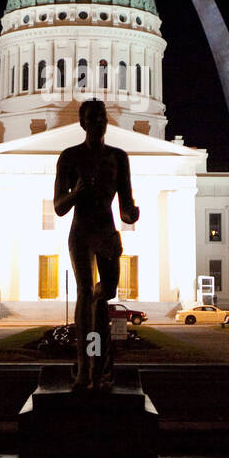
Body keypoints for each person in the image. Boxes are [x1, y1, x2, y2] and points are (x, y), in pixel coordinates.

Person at [54, 99, 139, 390]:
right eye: (92, 118)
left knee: (105, 294)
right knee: (85, 293)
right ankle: (87, 370)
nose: (98, 122)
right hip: (81, 232)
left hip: (105, 231)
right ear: (83, 122)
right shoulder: (69, 156)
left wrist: (131, 214)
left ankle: (98, 362)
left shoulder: (118, 157)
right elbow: (58, 207)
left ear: (106, 122)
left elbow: (125, 204)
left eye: (102, 117)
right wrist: (75, 193)